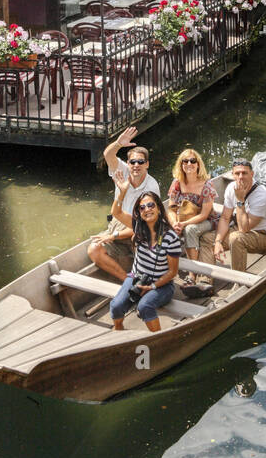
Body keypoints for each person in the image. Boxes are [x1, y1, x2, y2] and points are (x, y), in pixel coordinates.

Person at [87, 126, 160, 281]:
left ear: (147, 164)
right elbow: (108, 154)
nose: (136, 165)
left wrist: (113, 236)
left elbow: (142, 226)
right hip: (118, 224)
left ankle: (147, 277)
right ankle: (127, 281)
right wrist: (119, 144)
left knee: (144, 243)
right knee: (94, 249)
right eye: (133, 162)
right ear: (128, 163)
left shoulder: (151, 187)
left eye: (141, 162)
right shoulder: (122, 171)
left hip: (140, 229)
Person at [108, 188, 182, 332]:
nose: (147, 209)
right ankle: (118, 330)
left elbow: (173, 272)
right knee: (116, 306)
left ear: (159, 209)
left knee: (144, 306)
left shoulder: (170, 237)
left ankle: (158, 339)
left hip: (162, 285)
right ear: (139, 213)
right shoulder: (138, 226)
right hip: (137, 278)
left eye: (151, 205)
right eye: (142, 207)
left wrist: (152, 286)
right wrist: (122, 192)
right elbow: (116, 213)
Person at [199, 158, 266, 272]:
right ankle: (204, 282)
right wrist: (218, 242)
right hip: (239, 229)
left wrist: (240, 200)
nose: (240, 177)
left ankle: (239, 281)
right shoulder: (231, 188)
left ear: (252, 174)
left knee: (236, 238)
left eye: (244, 173)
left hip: (263, 236)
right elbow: (225, 218)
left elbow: (243, 229)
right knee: (207, 239)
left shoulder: (262, 195)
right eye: (237, 173)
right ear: (233, 175)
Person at [165, 148, 217, 286]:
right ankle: (163, 269)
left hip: (206, 221)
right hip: (181, 219)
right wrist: (175, 223)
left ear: (198, 164)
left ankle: (192, 273)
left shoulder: (207, 185)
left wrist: (183, 224)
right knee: (163, 230)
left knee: (190, 230)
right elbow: (171, 209)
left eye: (193, 161)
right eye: (185, 161)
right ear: (181, 164)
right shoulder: (177, 183)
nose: (189, 163)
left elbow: (204, 214)